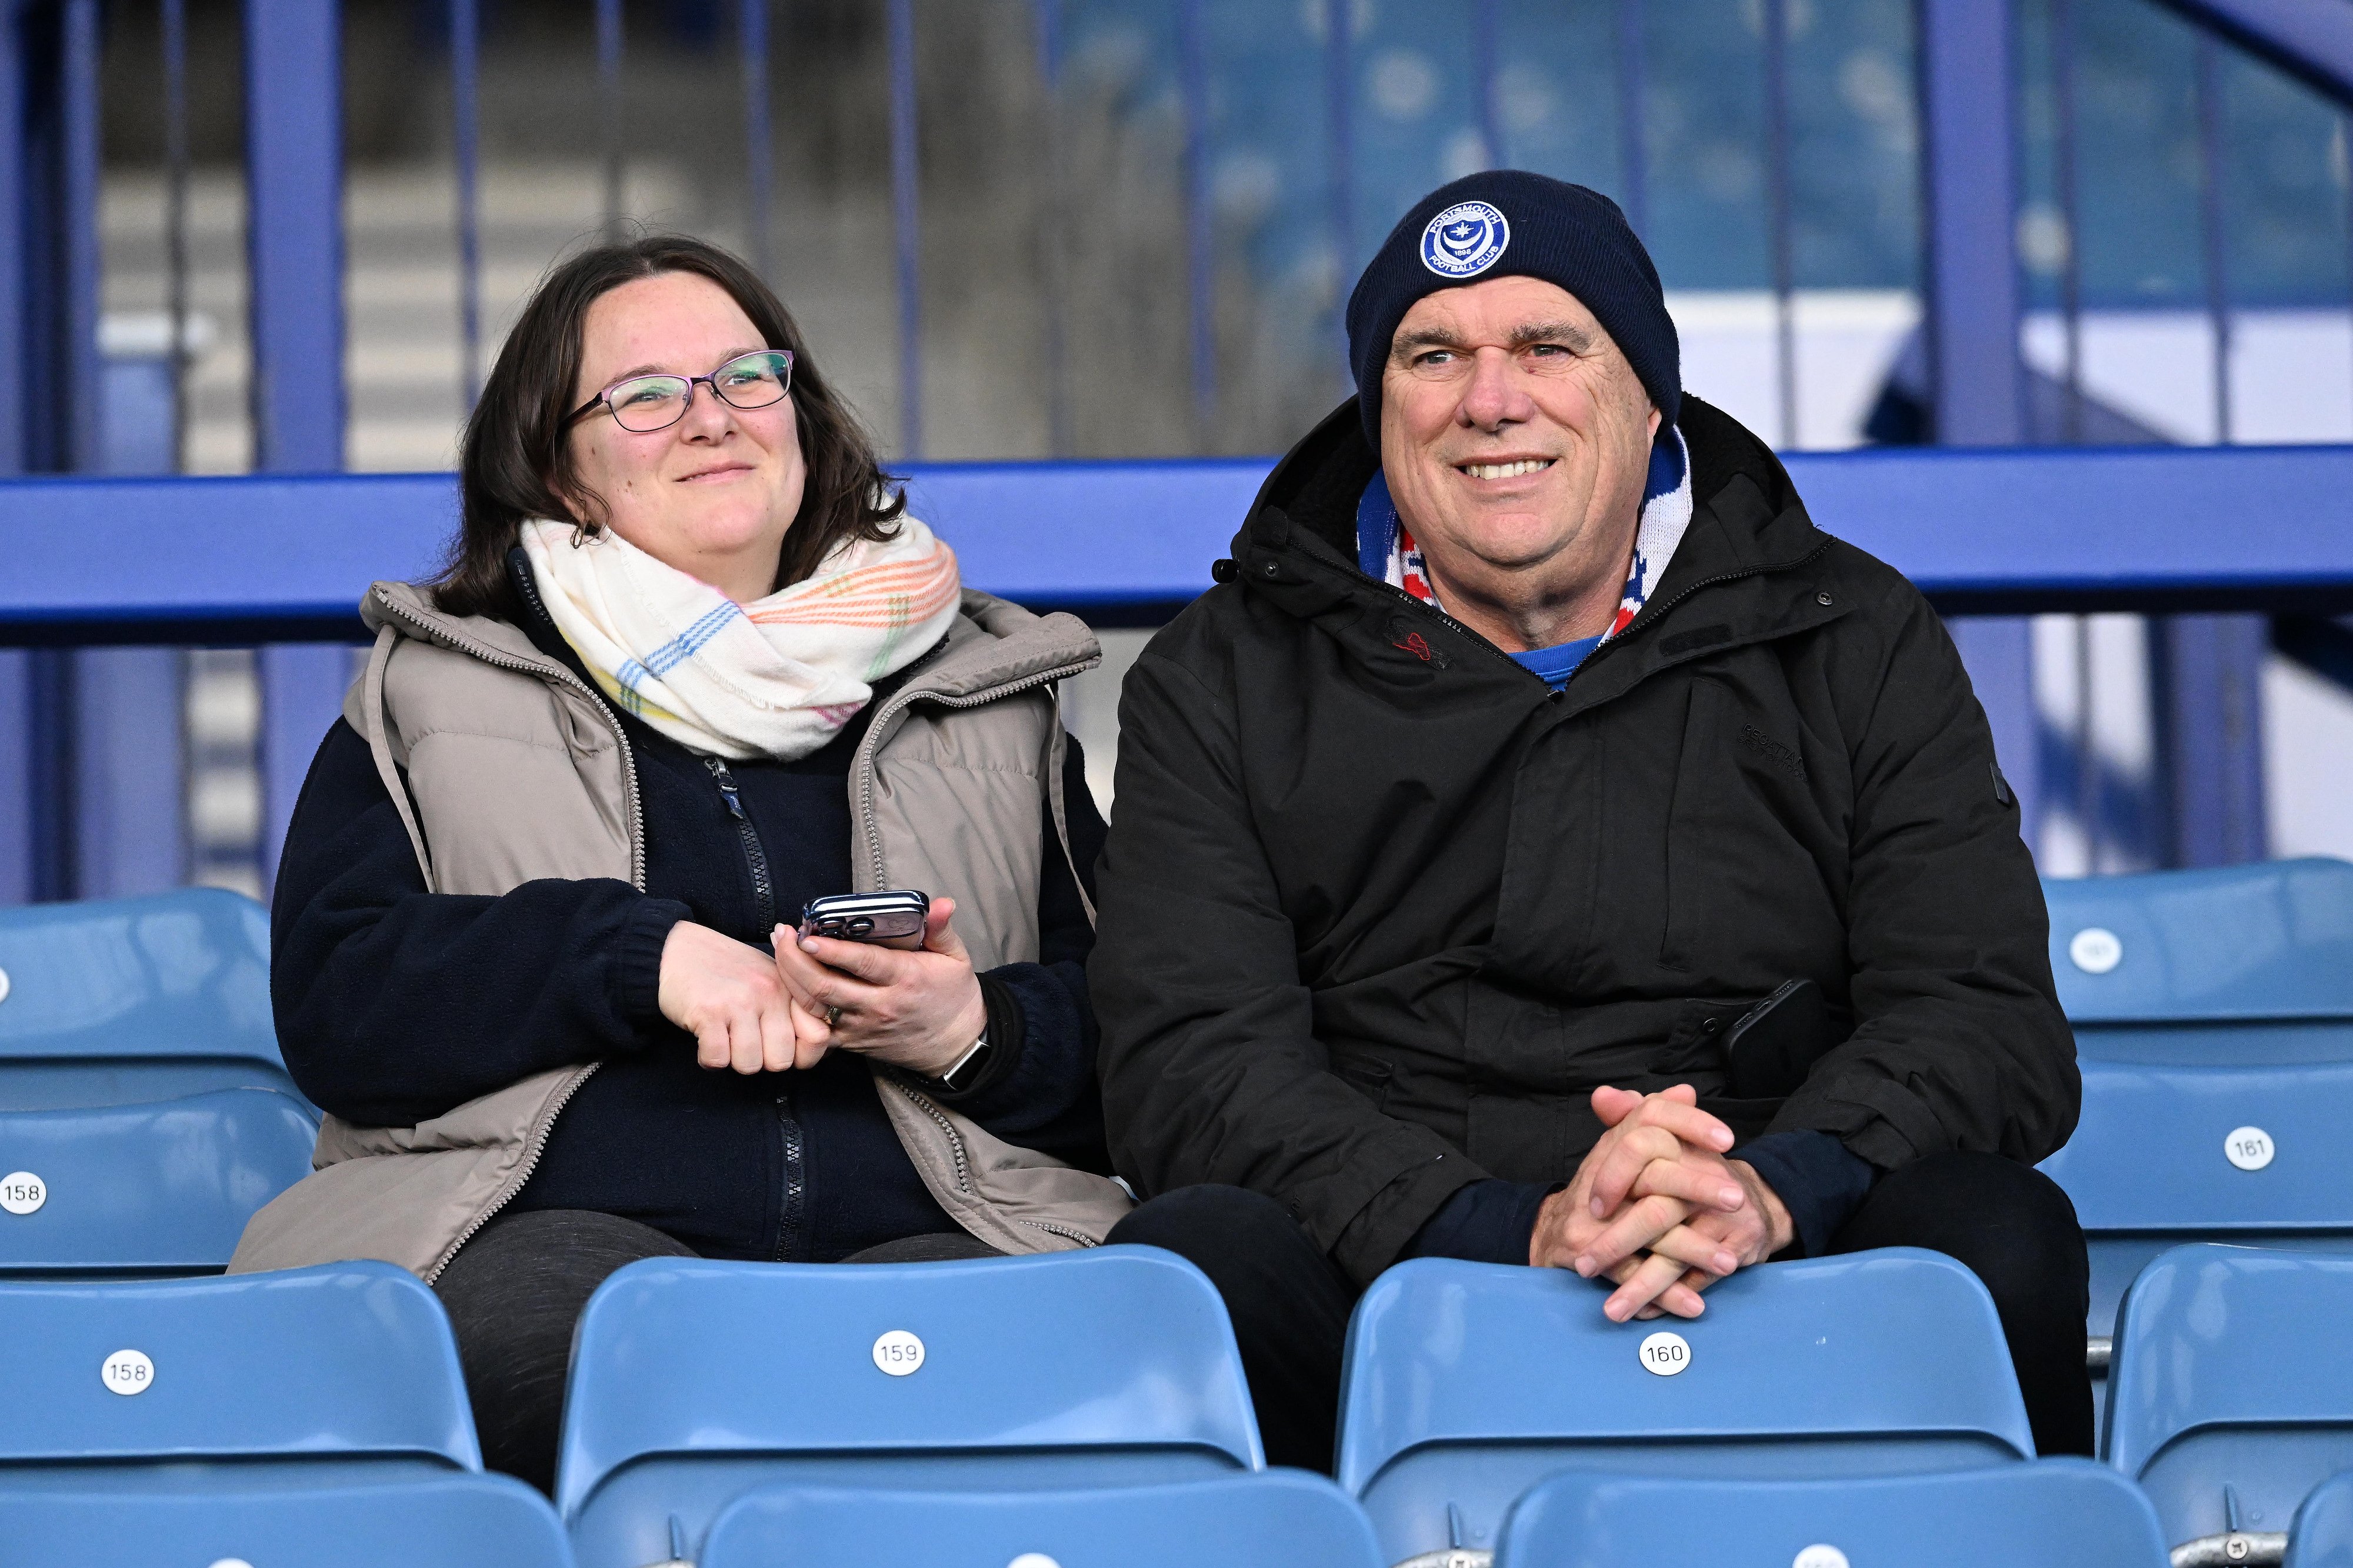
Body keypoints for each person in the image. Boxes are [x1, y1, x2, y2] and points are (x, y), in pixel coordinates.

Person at [1090, 172, 2088, 1469]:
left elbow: (1981, 1015)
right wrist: (1509, 1223)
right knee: (1194, 1260)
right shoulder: (1220, 672)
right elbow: (1191, 1068)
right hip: (1397, 1252)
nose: (1487, 399)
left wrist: (1771, 1187)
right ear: (1377, 404)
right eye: (1430, 354)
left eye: (1546, 347)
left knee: (1995, 1228)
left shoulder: (1850, 634)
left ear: (1645, 392)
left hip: (1769, 1218)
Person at [229, 235, 1131, 1490]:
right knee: (558, 1360)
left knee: (1082, 1355)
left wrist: (972, 1026)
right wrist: (634, 957)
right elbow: (341, 1001)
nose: (710, 418)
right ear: (560, 469)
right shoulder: (431, 687)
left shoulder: (984, 693)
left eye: (745, 377)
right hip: (554, 1233)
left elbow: (1141, 1027)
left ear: (800, 418)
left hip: (940, 1224)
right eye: (646, 395)